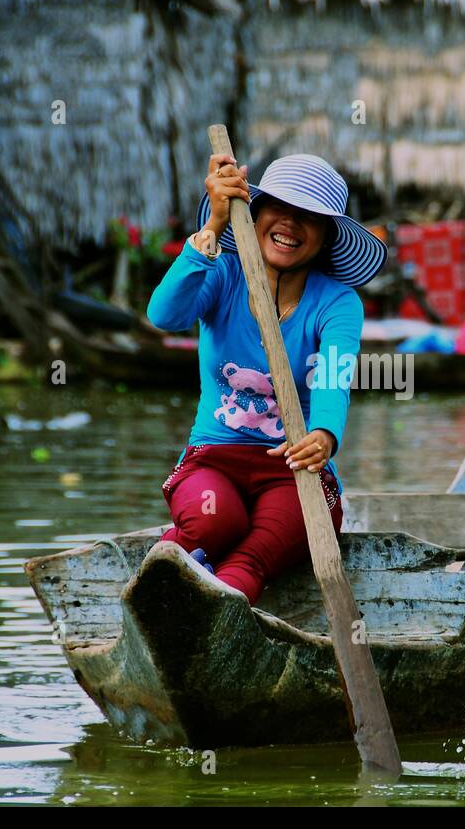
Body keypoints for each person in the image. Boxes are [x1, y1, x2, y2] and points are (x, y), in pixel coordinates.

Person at [146, 153, 386, 604]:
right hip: (215, 459)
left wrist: (324, 435)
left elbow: (334, 377)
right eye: (279, 208)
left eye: (309, 217)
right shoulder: (221, 272)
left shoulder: (338, 302)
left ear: (327, 236)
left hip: (293, 471)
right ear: (254, 213)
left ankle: (216, 615)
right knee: (217, 524)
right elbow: (164, 314)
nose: (290, 224)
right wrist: (213, 226)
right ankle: (163, 576)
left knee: (252, 557)